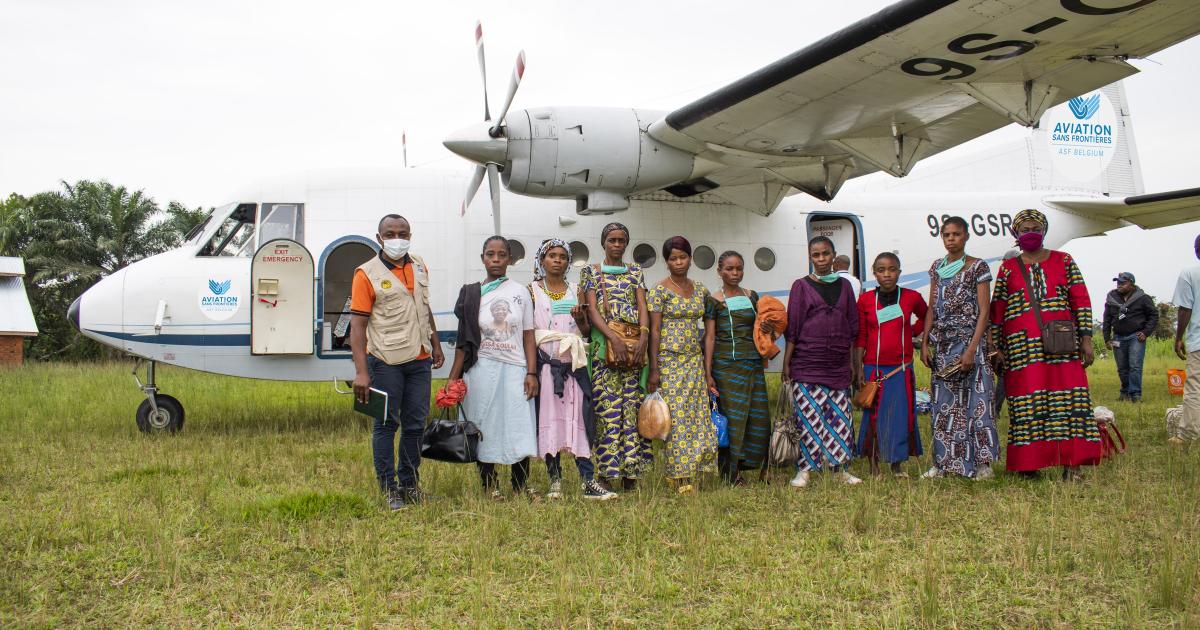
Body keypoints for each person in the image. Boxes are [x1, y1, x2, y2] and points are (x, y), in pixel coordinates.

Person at [990, 209, 1100, 480]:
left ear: (1044, 231)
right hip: (1021, 350)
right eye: (1025, 229)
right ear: (1016, 233)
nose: (1031, 233)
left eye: (1036, 229)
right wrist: (995, 346)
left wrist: (1086, 338)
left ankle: (1072, 465)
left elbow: (1080, 300)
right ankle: (1029, 465)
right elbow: (998, 310)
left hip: (1063, 347)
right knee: (1027, 404)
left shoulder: (1064, 261)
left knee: (1070, 402)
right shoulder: (1008, 268)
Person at [349, 214, 444, 510]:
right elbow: (357, 327)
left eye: (402, 233)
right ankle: (389, 488)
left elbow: (423, 307)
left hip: (420, 359)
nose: (397, 239)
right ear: (379, 238)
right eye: (390, 234)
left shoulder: (419, 265)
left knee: (415, 425)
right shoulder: (366, 274)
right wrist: (361, 372)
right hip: (385, 360)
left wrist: (436, 344)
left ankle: (410, 484)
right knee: (386, 424)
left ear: (410, 235)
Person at [446, 236, 539, 500]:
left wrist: (531, 372)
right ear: (483, 258)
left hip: (516, 369)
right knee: (482, 424)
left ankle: (520, 484)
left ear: (509, 259)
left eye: (501, 255)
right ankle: (489, 485)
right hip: (481, 370)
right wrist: (453, 379)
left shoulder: (521, 292)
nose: (496, 260)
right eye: (490, 254)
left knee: (518, 424)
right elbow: (463, 341)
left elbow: (528, 335)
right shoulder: (471, 294)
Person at [530, 239, 618, 500]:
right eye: (552, 256)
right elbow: (529, 331)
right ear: (542, 260)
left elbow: (586, 331)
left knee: (579, 419)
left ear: (568, 262)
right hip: (548, 367)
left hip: (574, 367)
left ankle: (588, 480)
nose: (557, 260)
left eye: (563, 256)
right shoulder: (532, 290)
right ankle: (555, 480)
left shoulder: (576, 290)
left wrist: (581, 319)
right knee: (550, 421)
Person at [920, 216, 1000, 480]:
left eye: (956, 234)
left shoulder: (977, 267)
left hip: (970, 342)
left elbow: (984, 311)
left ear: (966, 236)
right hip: (944, 345)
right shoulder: (937, 267)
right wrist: (925, 342)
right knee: (944, 405)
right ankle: (944, 463)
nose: (951, 239)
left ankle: (982, 464)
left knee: (977, 404)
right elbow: (932, 307)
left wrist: (972, 349)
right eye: (946, 235)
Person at [782, 236, 862, 488]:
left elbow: (852, 326)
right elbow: (793, 328)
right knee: (808, 419)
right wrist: (786, 363)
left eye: (825, 254)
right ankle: (805, 470)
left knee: (839, 419)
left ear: (834, 255)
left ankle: (839, 468)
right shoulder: (801, 286)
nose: (821, 259)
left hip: (838, 364)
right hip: (808, 363)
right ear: (810, 257)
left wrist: (852, 363)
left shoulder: (845, 287)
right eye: (816, 255)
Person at [582, 222, 652, 491]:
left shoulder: (635, 271)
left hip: (633, 346)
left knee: (632, 409)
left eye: (622, 240)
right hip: (605, 347)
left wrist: (644, 336)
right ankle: (606, 473)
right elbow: (592, 310)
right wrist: (613, 339)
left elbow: (642, 305)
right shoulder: (591, 272)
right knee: (606, 411)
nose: (617, 245)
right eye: (612, 240)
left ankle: (631, 473)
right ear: (603, 243)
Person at [648, 236, 716, 494]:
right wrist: (654, 368)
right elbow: (655, 331)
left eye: (683, 257)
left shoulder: (701, 290)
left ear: (690, 259)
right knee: (676, 419)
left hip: (693, 361)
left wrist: (707, 372)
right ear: (666, 262)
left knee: (698, 417)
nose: (678, 262)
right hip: (669, 361)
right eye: (673, 258)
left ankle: (698, 470)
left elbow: (709, 332)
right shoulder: (659, 290)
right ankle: (678, 475)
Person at [853, 252, 927, 477]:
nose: (887, 274)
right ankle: (873, 463)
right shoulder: (865, 300)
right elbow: (861, 336)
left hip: (900, 369)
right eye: (881, 270)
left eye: (892, 269)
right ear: (874, 273)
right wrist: (857, 367)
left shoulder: (911, 297)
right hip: (874, 369)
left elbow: (926, 317)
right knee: (873, 416)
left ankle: (896, 464)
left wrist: (911, 332)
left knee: (900, 416)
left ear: (899, 272)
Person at [703, 250, 771, 484]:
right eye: (729, 269)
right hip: (726, 366)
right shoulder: (713, 300)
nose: (735, 273)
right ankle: (731, 472)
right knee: (733, 418)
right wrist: (708, 372)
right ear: (719, 271)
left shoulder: (752, 296)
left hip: (752, 363)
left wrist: (767, 331)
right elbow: (710, 337)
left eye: (739, 268)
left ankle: (760, 466)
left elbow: (760, 329)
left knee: (758, 416)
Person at [1102, 272, 1159, 403]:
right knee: (1122, 368)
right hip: (1117, 337)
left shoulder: (1143, 298)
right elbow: (1107, 319)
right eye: (1118, 282)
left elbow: (1154, 315)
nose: (1119, 285)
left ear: (1132, 284)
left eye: (1123, 283)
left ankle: (1135, 394)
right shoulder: (1111, 298)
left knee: (1135, 366)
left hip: (1135, 337)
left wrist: (1146, 332)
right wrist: (1107, 338)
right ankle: (1125, 391)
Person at [1171, 234, 1200, 444]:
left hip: (1198, 340)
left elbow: (1185, 309)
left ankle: (1188, 434)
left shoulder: (1189, 273)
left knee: (1195, 387)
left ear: (1197, 250)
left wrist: (1179, 337)